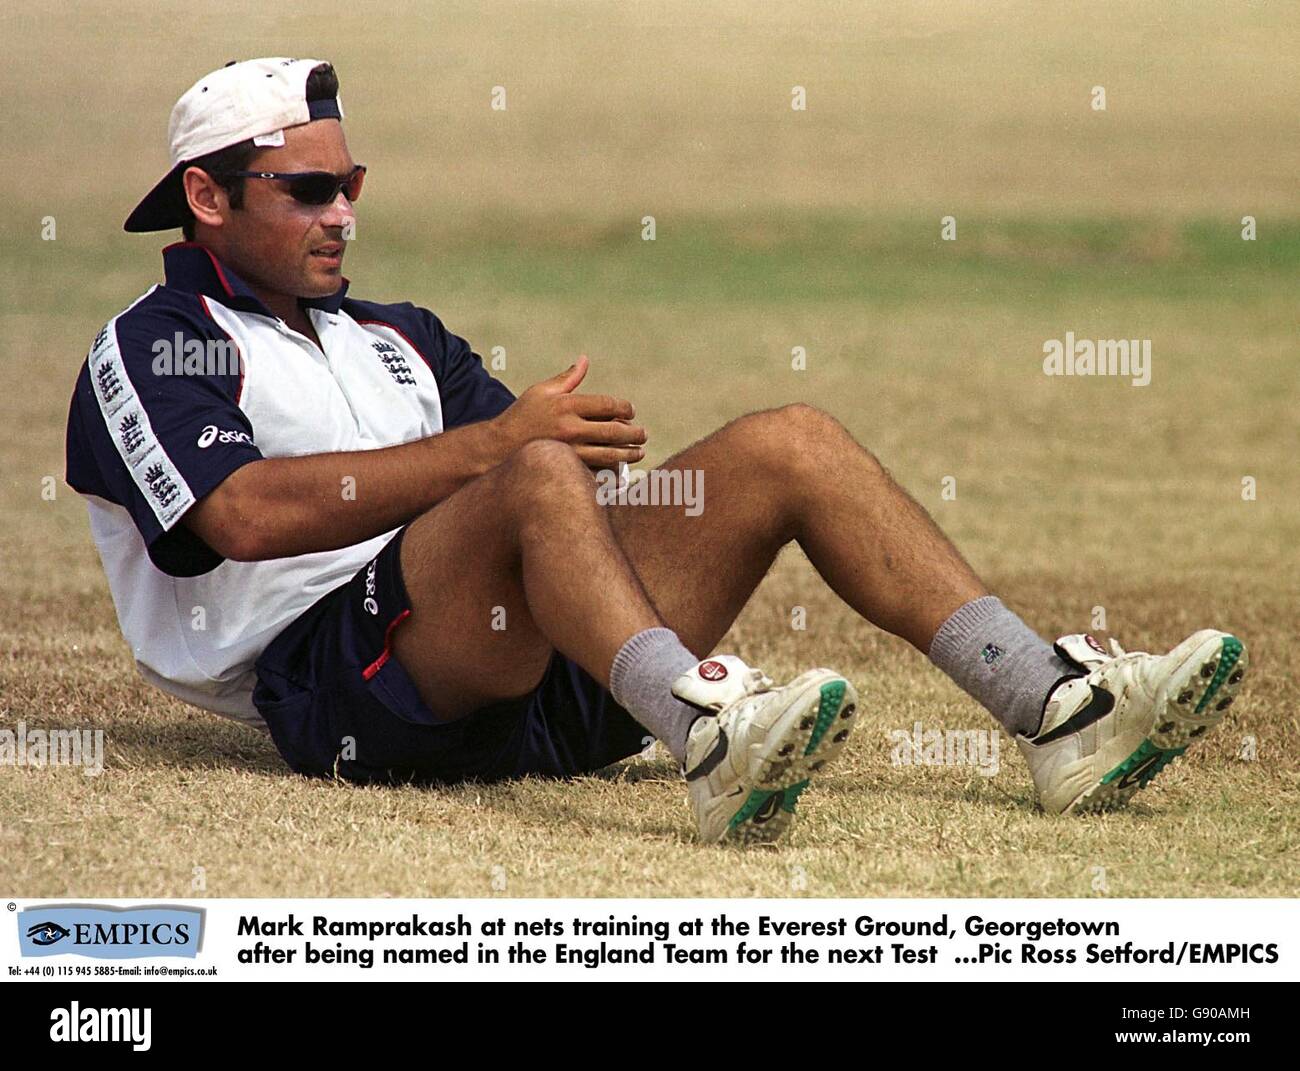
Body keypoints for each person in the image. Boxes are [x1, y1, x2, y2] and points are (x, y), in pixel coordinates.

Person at [65, 57, 1248, 845]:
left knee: (790, 441)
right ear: (207, 202)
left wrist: (591, 471)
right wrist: (512, 450)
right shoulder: (155, 342)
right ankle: (711, 740)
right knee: (519, 465)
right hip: (335, 695)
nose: (343, 214)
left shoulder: (398, 336)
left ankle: (1054, 712)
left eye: (352, 183)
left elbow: (546, 485)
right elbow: (244, 519)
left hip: (546, 682)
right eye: (309, 188)